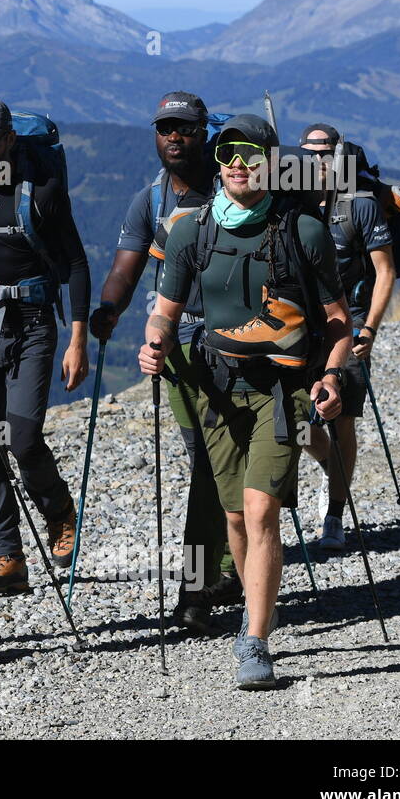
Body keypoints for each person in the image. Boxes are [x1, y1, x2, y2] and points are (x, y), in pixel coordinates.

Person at [139, 113, 351, 689]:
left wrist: (331, 377)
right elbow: (166, 310)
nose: (237, 163)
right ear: (218, 160)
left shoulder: (301, 231)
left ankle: (254, 639)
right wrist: (154, 341)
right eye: (229, 152)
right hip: (216, 388)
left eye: (250, 154)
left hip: (283, 391)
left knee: (260, 512)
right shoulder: (191, 232)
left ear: (270, 164)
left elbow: (336, 321)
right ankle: (260, 596)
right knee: (234, 516)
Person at [90, 91, 237, 632]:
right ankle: (219, 575)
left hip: (243, 341)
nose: (175, 137)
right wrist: (108, 308)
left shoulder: (236, 188)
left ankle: (206, 581)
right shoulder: (149, 202)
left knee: (215, 465)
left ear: (205, 134)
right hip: (180, 345)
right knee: (209, 463)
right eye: (165, 128)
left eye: (186, 129)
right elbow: (126, 267)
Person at [0, 97, 91, 596]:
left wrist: (77, 339)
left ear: (10, 139)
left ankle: (59, 512)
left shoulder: (43, 189)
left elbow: (75, 261)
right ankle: (6, 556)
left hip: (33, 320)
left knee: (24, 437)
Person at [297, 124, 396, 551]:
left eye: (324, 153)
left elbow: (385, 272)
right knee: (298, 420)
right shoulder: (292, 204)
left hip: (350, 325)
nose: (316, 161)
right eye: (308, 153)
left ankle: (335, 514)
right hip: (300, 330)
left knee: (340, 420)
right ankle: (330, 466)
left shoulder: (360, 205)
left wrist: (369, 329)